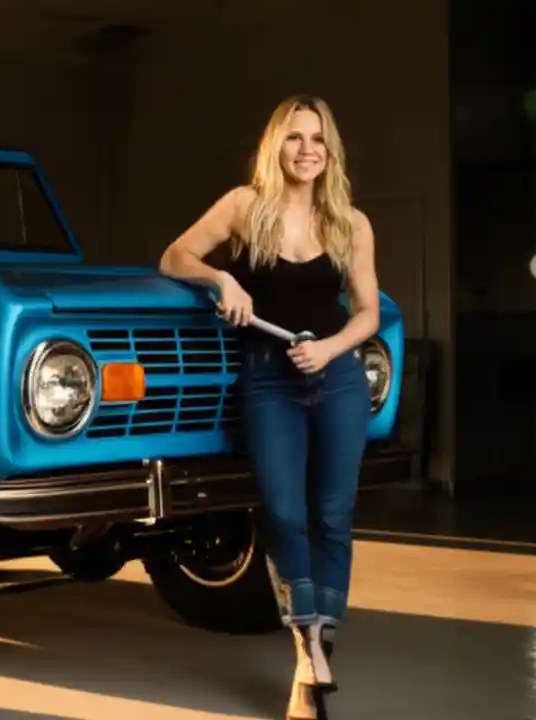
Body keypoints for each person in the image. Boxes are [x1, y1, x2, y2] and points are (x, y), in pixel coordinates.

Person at [157, 94, 379, 720]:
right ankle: (307, 648)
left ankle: (311, 664)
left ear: (329, 151)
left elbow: (366, 312)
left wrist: (330, 347)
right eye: (293, 137)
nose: (306, 149)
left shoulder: (350, 223)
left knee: (332, 515)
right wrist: (222, 279)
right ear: (274, 145)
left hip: (336, 379)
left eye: (317, 139)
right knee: (283, 513)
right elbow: (174, 256)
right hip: (267, 380)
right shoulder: (242, 207)